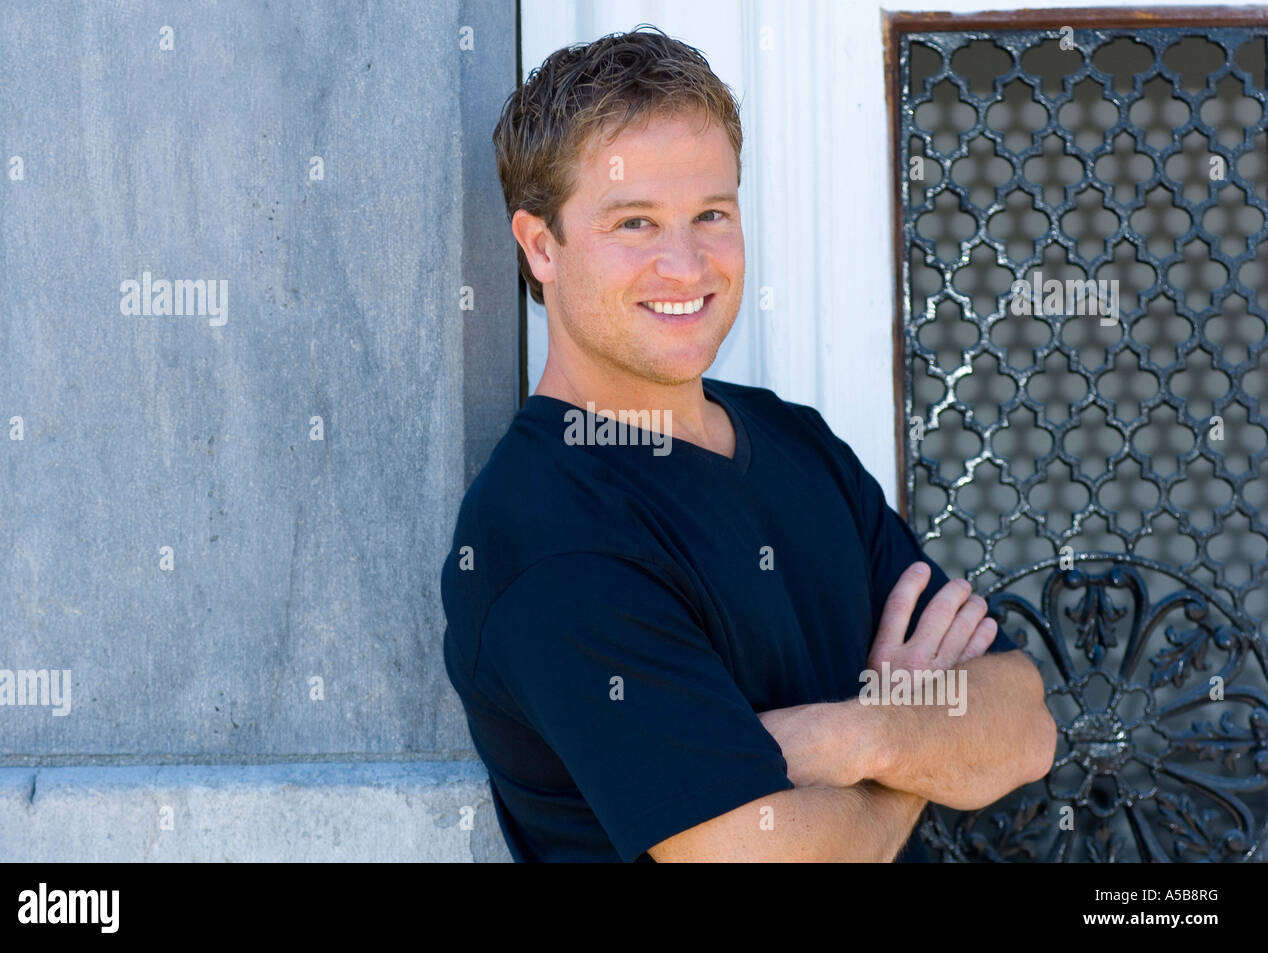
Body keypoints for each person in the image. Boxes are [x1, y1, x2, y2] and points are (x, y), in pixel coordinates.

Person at [441, 25, 1056, 862]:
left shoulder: (793, 440)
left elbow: (1022, 724)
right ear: (540, 245)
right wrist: (915, 742)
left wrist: (851, 734)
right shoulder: (547, 534)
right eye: (634, 223)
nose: (685, 263)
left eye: (710, 214)